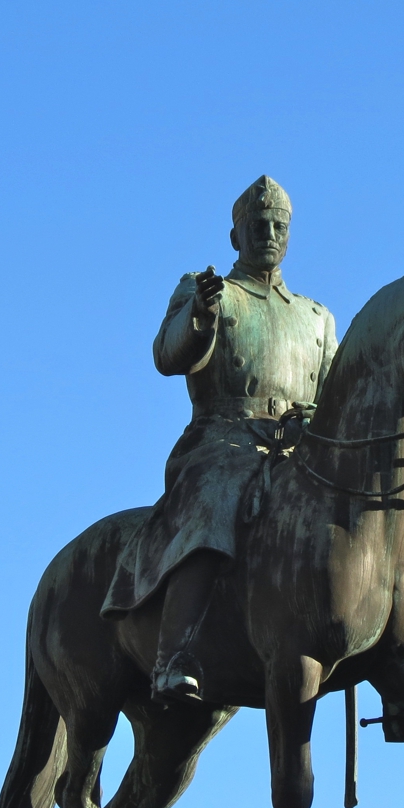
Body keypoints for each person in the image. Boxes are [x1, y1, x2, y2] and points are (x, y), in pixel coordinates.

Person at [102, 176, 338, 704]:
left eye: (278, 226)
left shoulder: (316, 317)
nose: (268, 233)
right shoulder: (209, 290)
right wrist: (201, 317)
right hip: (222, 439)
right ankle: (174, 654)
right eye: (258, 225)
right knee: (215, 498)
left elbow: (335, 395)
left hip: (298, 446)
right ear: (236, 236)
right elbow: (167, 355)